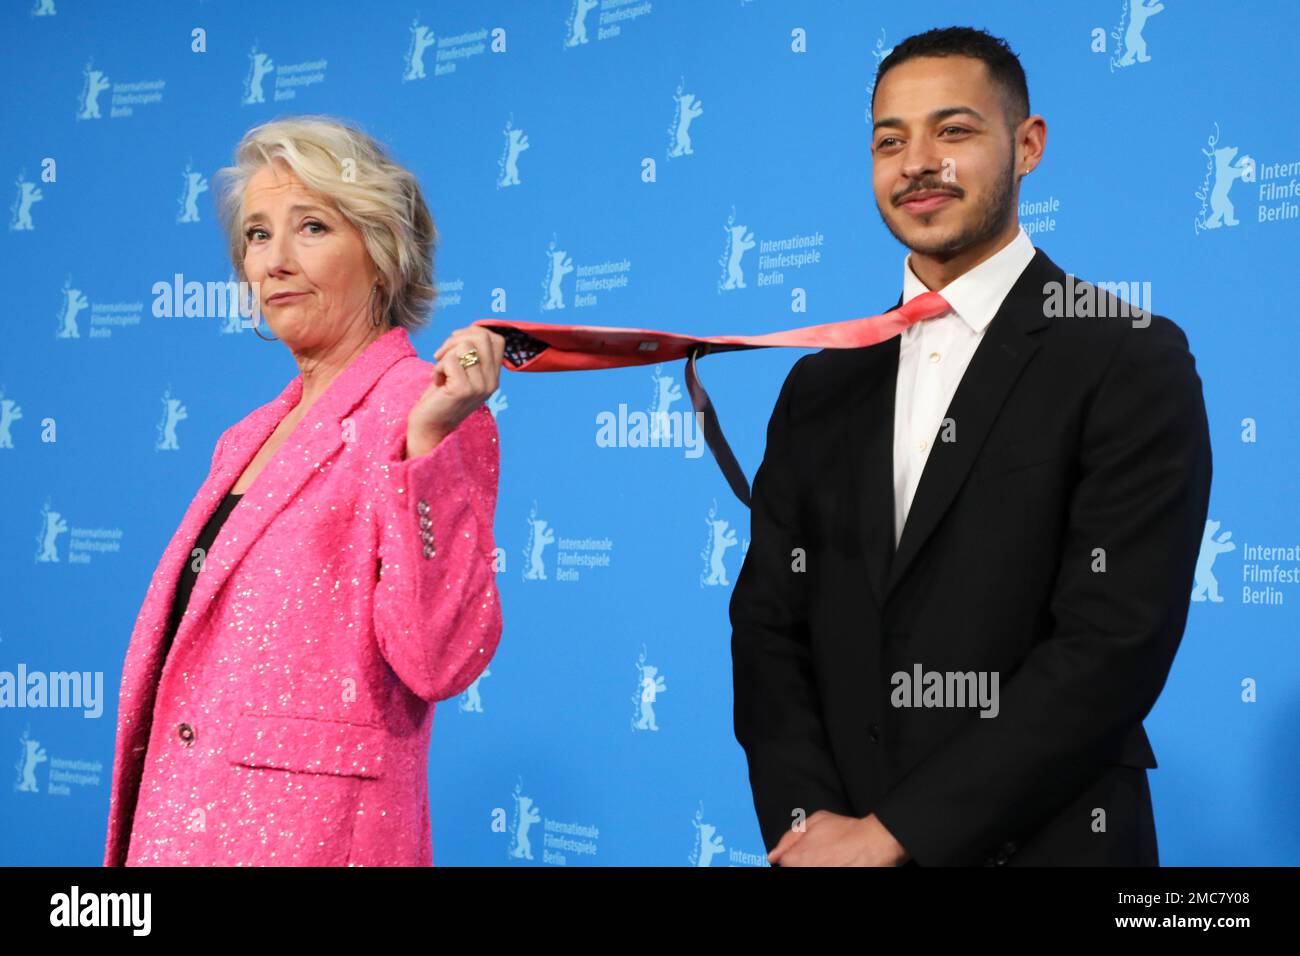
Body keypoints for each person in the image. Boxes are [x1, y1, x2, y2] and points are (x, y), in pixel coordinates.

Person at [730, 27, 1211, 866]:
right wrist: (809, 826)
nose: (917, 162)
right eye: (891, 140)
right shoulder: (822, 383)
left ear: (1028, 146)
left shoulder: (1126, 354)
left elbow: (1112, 647)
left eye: (953, 131)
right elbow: (769, 628)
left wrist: (896, 835)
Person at [103, 116, 507, 866]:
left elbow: (440, 659)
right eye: (258, 235)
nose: (276, 261)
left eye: (311, 226)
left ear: (383, 255)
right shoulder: (244, 437)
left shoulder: (424, 407)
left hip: (315, 844)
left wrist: (428, 447)